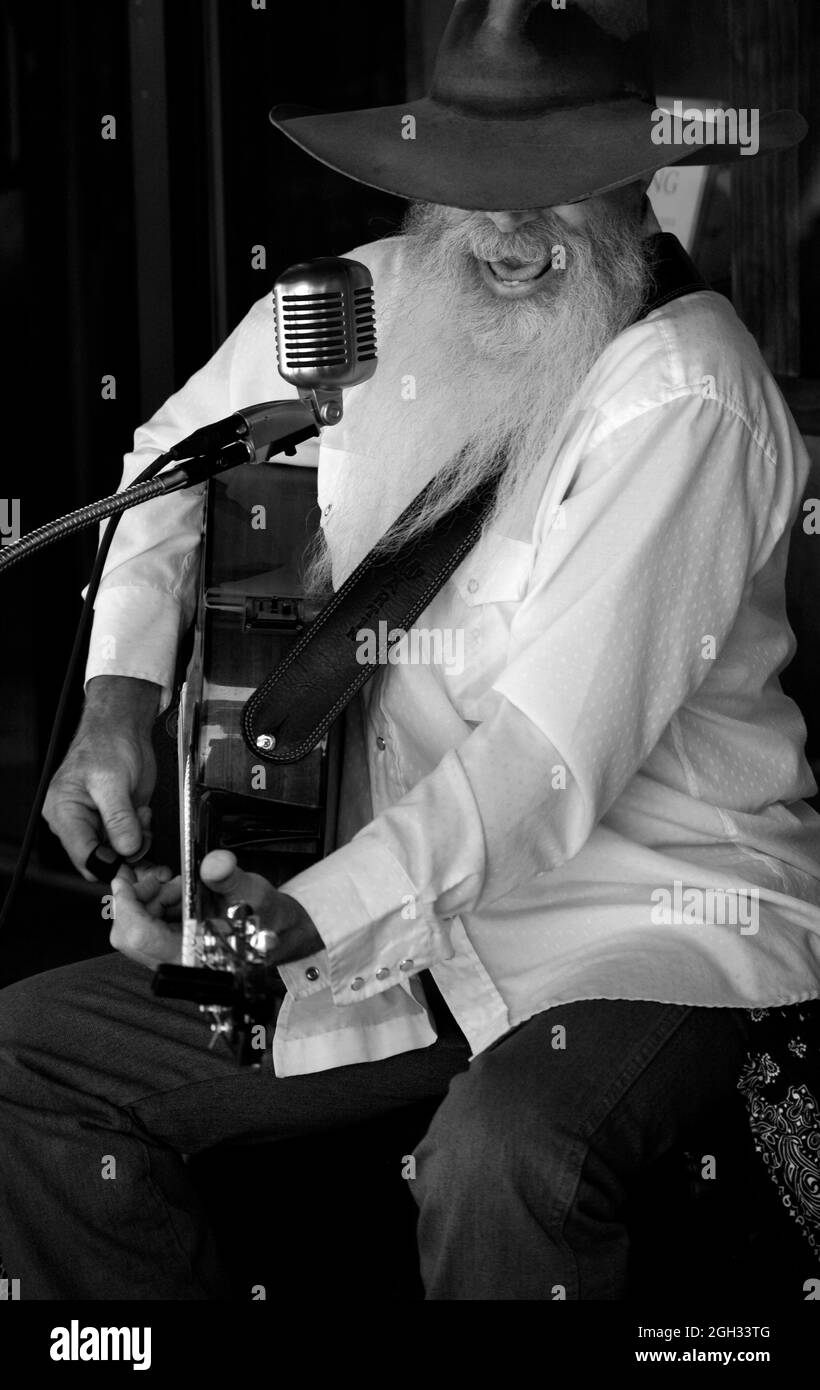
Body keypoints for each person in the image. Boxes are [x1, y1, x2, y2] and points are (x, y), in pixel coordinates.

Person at [1, 0, 819, 1300]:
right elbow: (171, 455)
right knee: (29, 1057)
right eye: (468, 188)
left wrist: (300, 918)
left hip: (642, 923)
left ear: (628, 177)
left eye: (545, 189)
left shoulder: (688, 393)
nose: (504, 229)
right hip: (395, 922)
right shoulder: (370, 302)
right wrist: (118, 691)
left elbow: (538, 773)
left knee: (504, 1159)